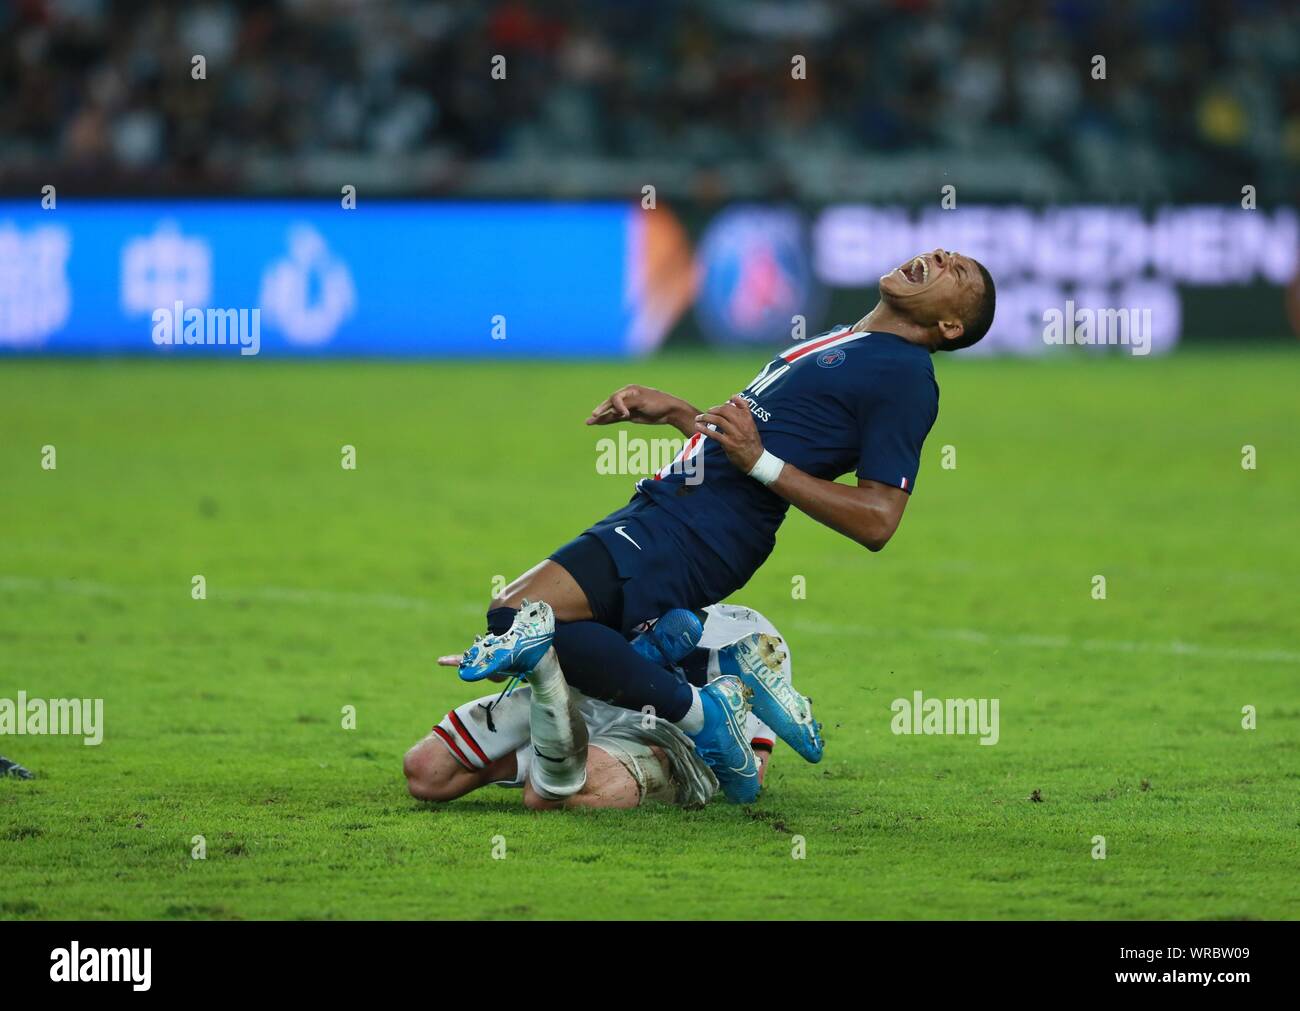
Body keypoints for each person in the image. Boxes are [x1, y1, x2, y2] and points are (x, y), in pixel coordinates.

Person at [459, 249, 995, 798]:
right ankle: (704, 661)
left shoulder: (905, 375)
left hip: (700, 530)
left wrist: (760, 462)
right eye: (944, 253)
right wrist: (677, 414)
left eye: (958, 271)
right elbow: (754, 442)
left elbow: (878, 519)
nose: (940, 257)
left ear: (950, 325)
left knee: (515, 615)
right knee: (539, 636)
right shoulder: (849, 339)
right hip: (671, 508)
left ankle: (698, 707)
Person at [410, 606, 794, 809]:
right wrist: (500, 661)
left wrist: (709, 769)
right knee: (425, 774)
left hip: (659, 735)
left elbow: (753, 773)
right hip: (584, 699)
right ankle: (550, 738)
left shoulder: (755, 636)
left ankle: (549, 759)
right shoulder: (624, 577)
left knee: (559, 796)